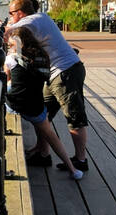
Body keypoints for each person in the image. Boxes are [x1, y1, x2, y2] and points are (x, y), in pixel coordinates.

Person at [4, 0, 89, 171]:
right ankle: (43, 153)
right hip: (58, 72)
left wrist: (7, 28)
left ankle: (81, 159)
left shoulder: (33, 21)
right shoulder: (41, 17)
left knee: (74, 116)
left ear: (20, 12)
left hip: (65, 72)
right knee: (43, 113)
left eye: (11, 13)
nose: (10, 16)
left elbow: (9, 33)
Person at [5, 27, 82, 180]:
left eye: (10, 44)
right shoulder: (43, 56)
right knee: (51, 135)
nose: (9, 46)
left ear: (18, 43)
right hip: (36, 105)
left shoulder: (11, 59)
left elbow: (8, 80)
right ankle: (73, 169)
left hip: (16, 104)